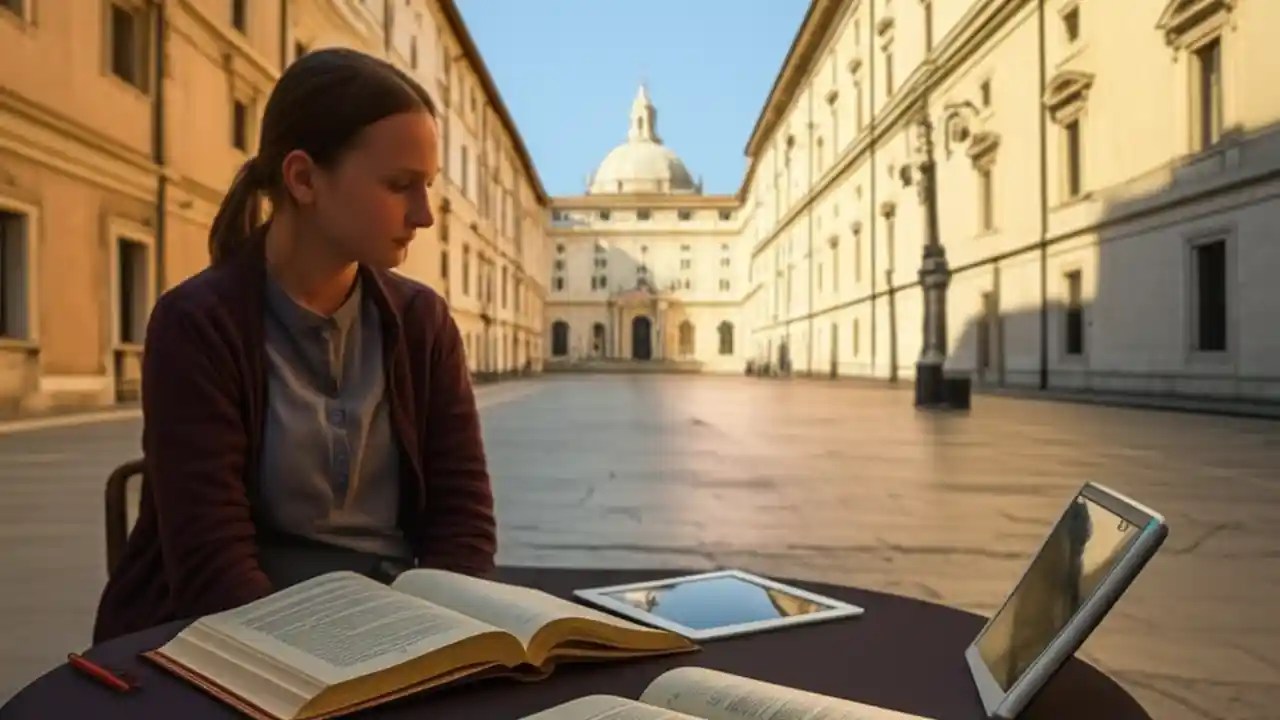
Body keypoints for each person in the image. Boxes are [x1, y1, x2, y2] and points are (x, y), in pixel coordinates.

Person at [93, 48, 496, 644]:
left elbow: (463, 525)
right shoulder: (198, 325)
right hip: (237, 641)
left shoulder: (421, 323)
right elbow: (212, 566)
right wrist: (323, 663)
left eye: (428, 187)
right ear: (304, 178)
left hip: (394, 630)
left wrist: (426, 643)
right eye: (399, 185)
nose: (424, 216)